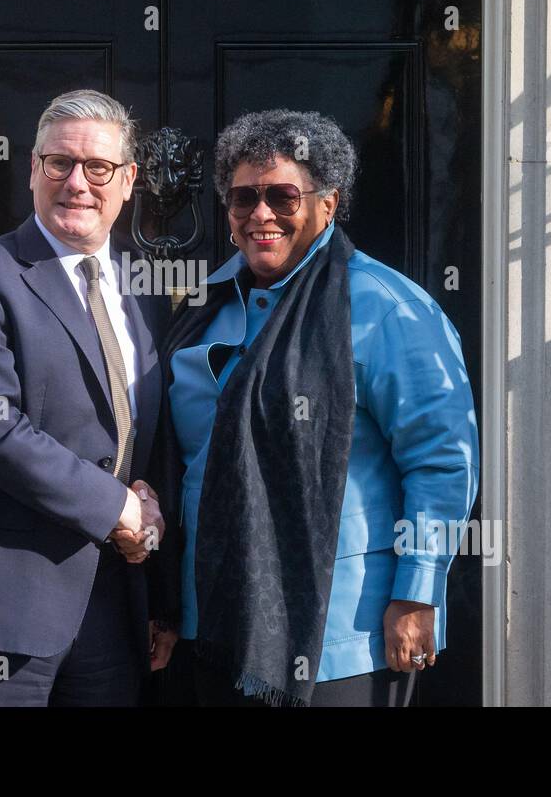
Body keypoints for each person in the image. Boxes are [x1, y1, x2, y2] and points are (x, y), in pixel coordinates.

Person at [150, 109, 480, 707]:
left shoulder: (385, 306)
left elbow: (440, 461)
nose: (261, 214)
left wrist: (419, 591)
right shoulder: (204, 306)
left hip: (341, 629)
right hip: (212, 618)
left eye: (283, 196)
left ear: (329, 203)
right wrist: (162, 599)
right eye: (243, 197)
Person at [0, 89, 176, 706]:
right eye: (59, 163)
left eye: (98, 168)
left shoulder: (143, 292)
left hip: (112, 604)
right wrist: (117, 508)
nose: (77, 182)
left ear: (127, 181)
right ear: (33, 171)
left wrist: (152, 547)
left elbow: (141, 435)